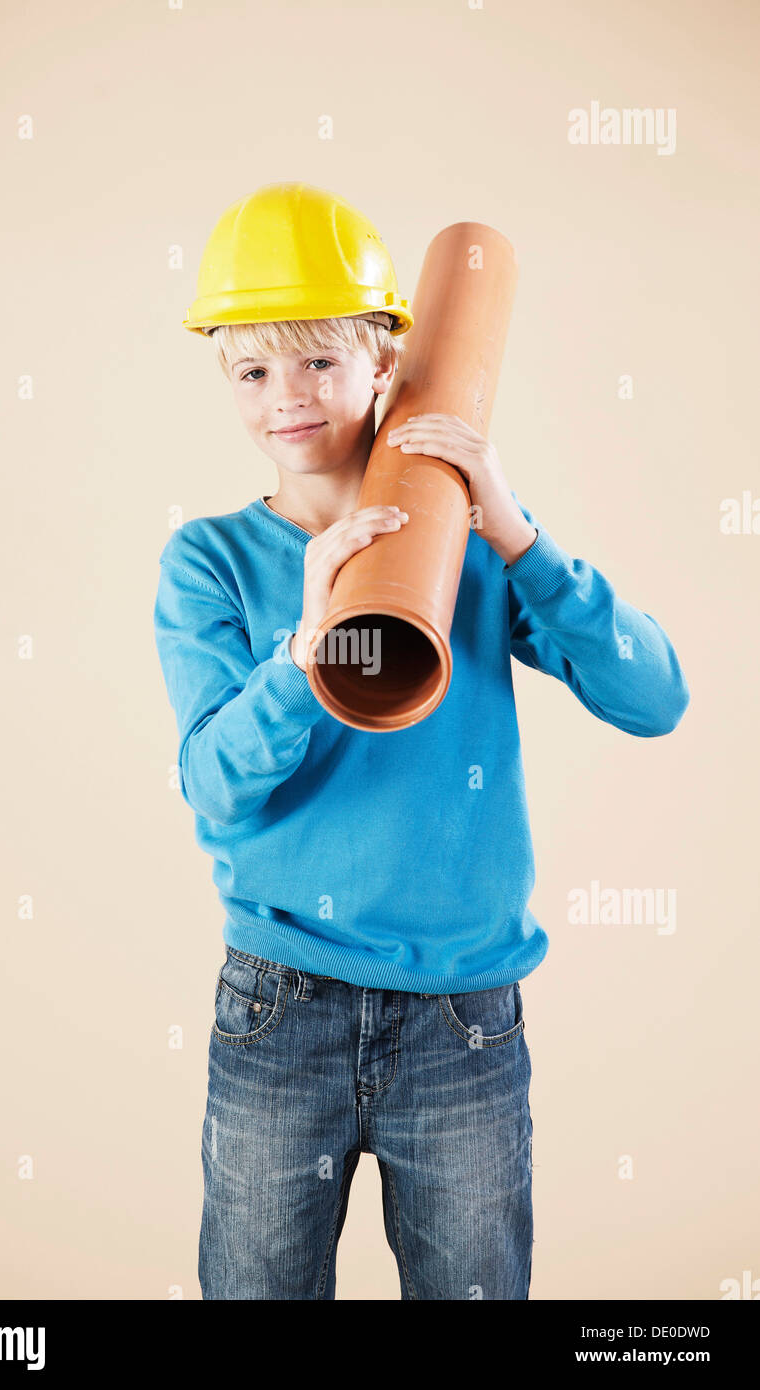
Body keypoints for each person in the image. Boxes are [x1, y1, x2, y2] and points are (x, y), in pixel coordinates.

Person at [153, 182, 690, 1300]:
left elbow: (655, 697)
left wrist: (517, 533)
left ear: (383, 363)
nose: (284, 398)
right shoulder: (207, 562)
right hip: (278, 1003)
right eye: (251, 371)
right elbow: (215, 786)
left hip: (463, 1021)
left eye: (316, 362)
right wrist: (305, 646)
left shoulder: (472, 547)